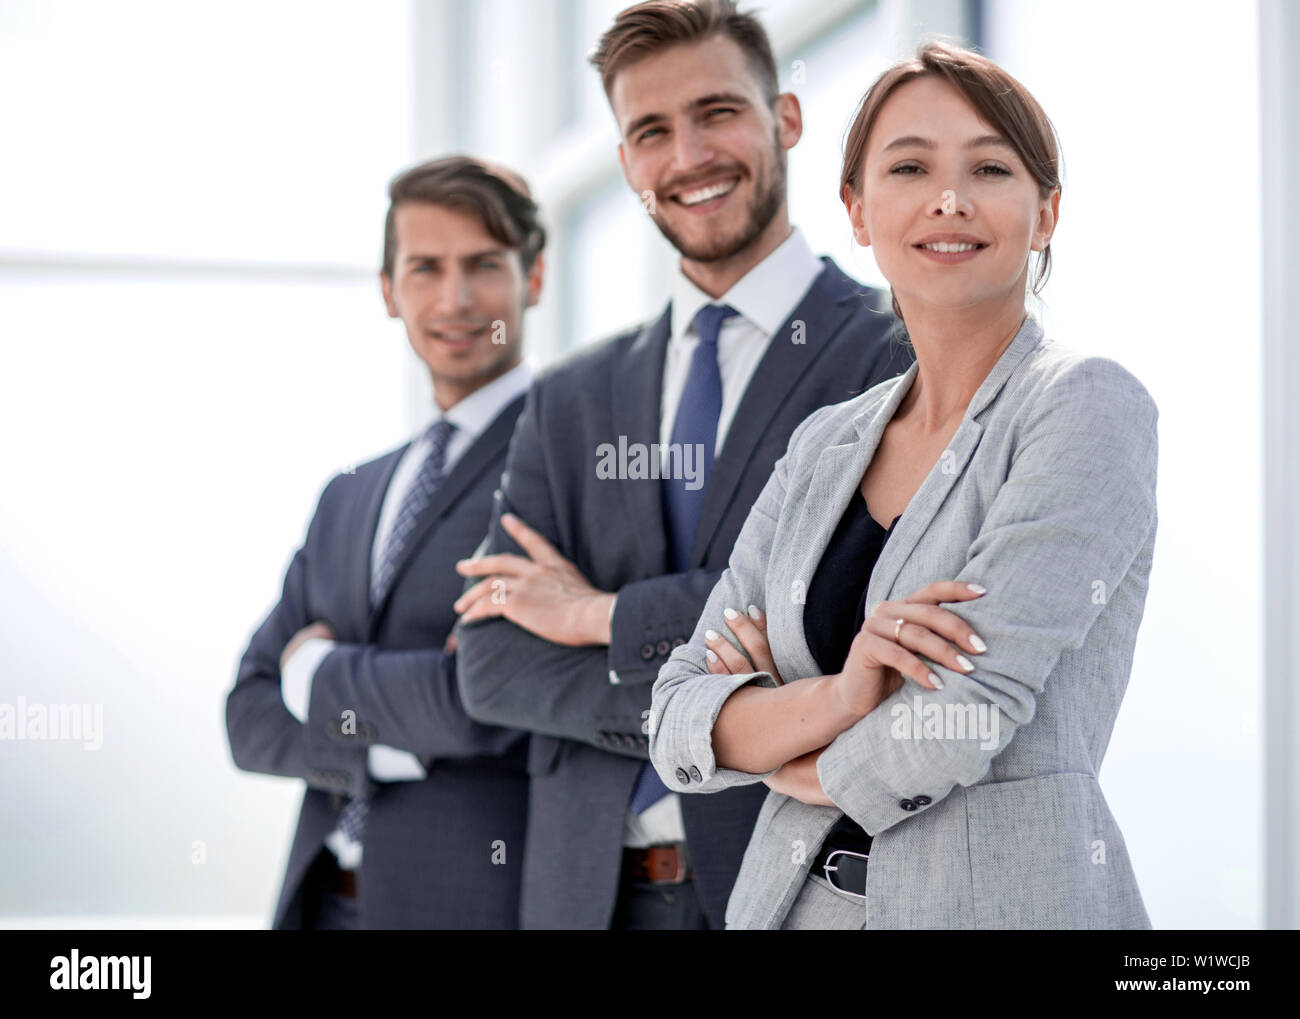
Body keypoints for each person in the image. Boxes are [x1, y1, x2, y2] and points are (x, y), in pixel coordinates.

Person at [649, 40, 1158, 930]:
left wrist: (789, 757)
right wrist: (845, 695)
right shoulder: (823, 445)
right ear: (857, 209)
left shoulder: (1084, 407)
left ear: (1046, 214)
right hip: (786, 905)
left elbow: (970, 703)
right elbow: (680, 711)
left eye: (991, 167)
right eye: (911, 166)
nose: (949, 199)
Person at [452, 0, 911, 930]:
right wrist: (734, 705)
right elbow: (494, 664)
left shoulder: (892, 352)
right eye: (652, 131)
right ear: (626, 164)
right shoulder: (572, 395)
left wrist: (593, 617)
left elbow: (841, 618)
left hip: (797, 884)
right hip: (585, 897)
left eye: (718, 113)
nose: (689, 155)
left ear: (784, 118)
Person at [224, 156, 543, 929]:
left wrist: (315, 670)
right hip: (323, 900)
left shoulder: (558, 464)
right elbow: (249, 714)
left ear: (533, 277)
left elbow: (479, 704)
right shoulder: (350, 494)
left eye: (484, 265)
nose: (455, 298)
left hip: (463, 906)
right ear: (388, 289)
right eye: (425, 268)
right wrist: (392, 743)